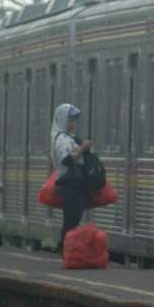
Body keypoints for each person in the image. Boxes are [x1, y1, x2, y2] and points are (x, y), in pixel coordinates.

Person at [50, 104, 93, 251]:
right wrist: (82, 149)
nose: (74, 123)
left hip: (75, 185)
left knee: (73, 220)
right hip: (69, 185)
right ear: (63, 120)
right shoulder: (61, 139)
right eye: (71, 119)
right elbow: (66, 160)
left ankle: (67, 250)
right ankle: (67, 251)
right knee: (71, 220)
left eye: (75, 119)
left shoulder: (70, 138)